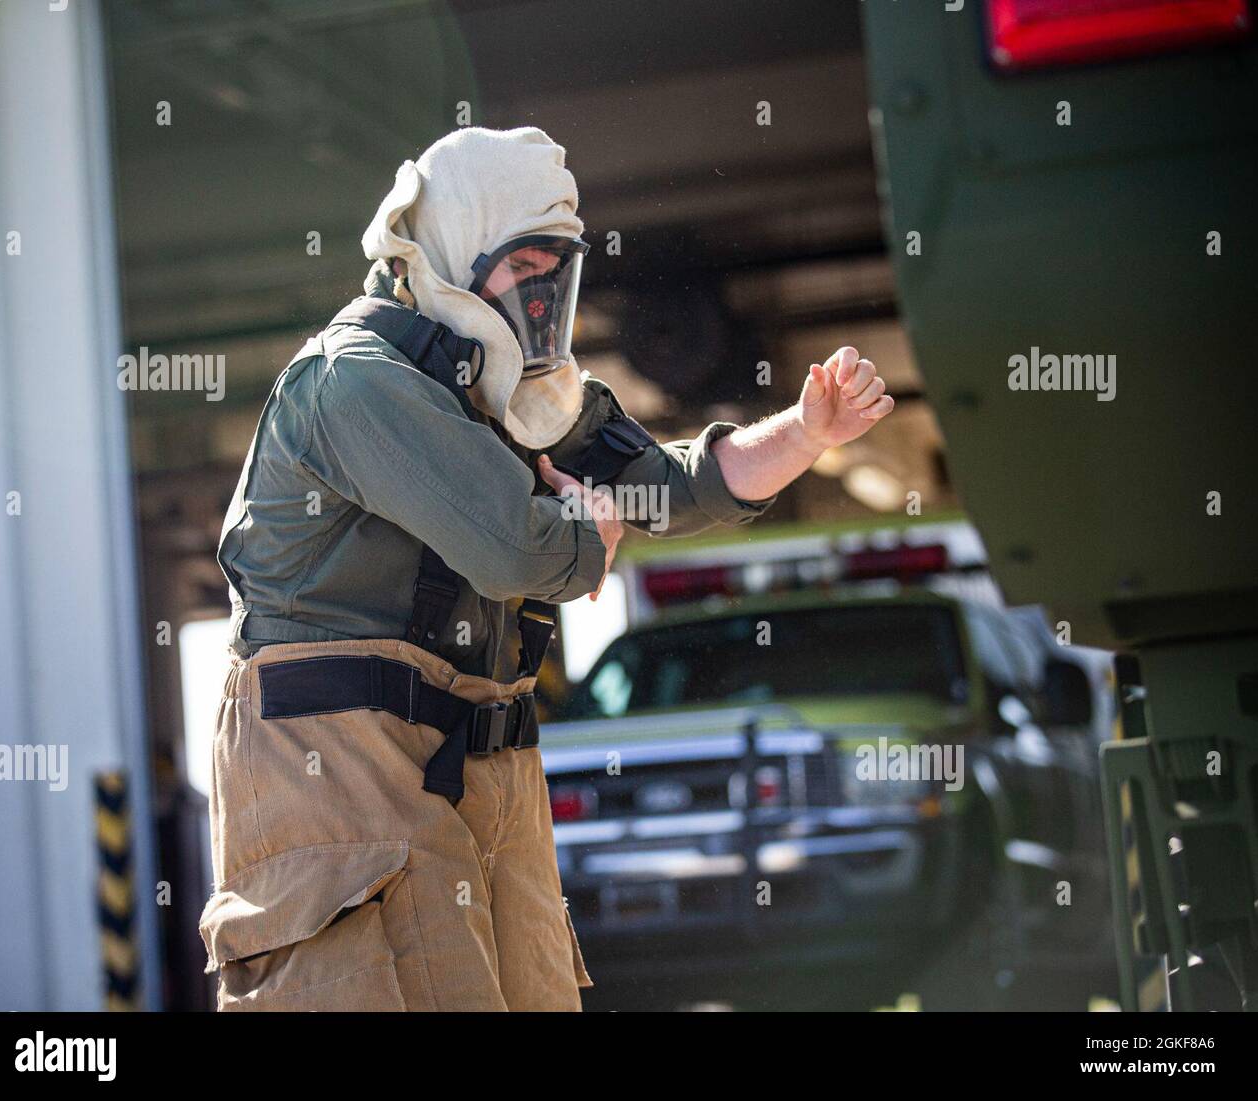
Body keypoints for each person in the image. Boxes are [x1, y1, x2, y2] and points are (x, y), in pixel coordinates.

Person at [199, 126, 894, 1011]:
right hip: (340, 774)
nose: (540, 294)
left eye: (555, 268)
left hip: (486, 765)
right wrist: (585, 536)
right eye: (519, 263)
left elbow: (661, 487)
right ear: (452, 247)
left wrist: (804, 433)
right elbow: (521, 550)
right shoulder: (354, 381)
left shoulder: (513, 393)